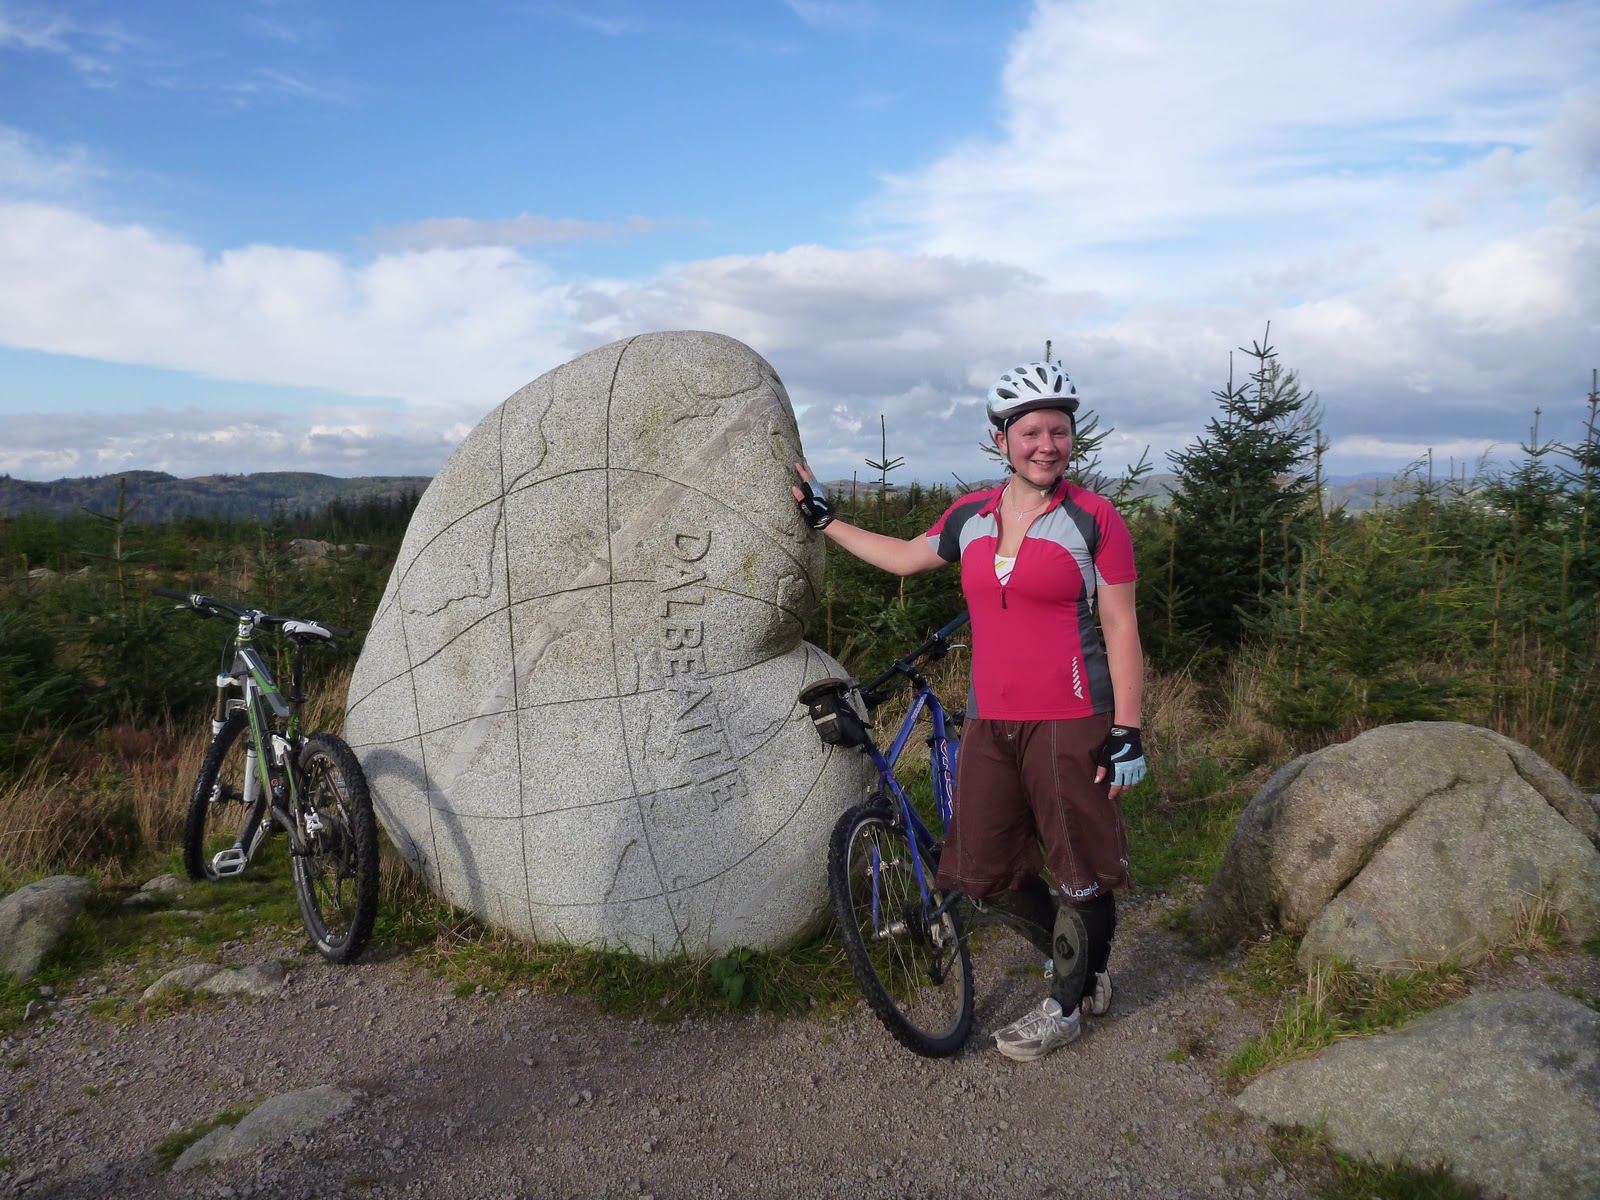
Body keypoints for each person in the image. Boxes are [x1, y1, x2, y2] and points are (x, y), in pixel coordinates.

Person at [791, 361, 1147, 1062]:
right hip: (989, 720)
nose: (1047, 446)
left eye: (1059, 432)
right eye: (1031, 432)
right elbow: (904, 558)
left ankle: (1067, 1002)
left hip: (1072, 717)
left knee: (1080, 866)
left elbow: (1122, 626)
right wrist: (828, 522)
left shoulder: (1094, 518)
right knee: (983, 872)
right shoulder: (971, 517)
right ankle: (1081, 964)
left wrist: (1127, 730)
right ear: (1001, 438)